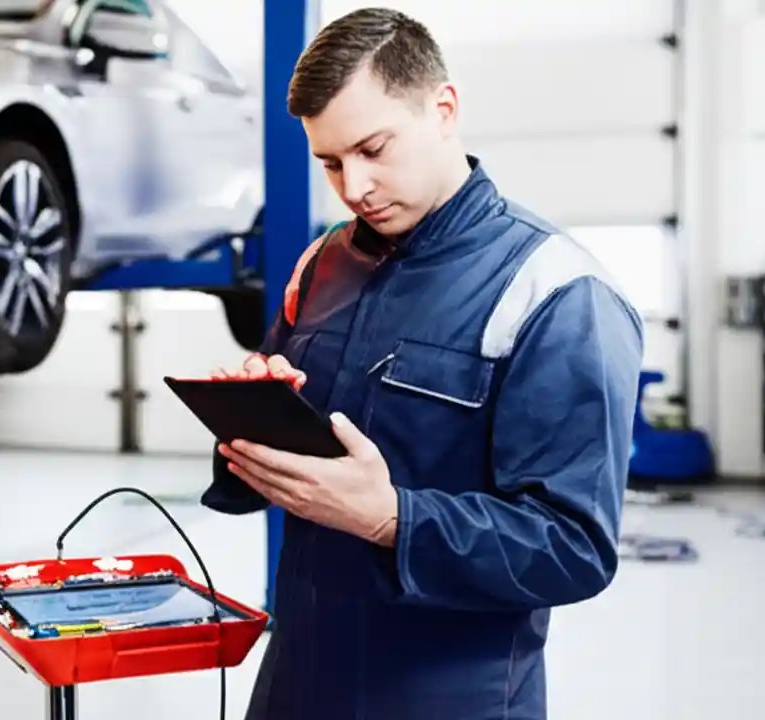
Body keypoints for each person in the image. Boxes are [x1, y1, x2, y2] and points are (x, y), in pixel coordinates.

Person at [203, 8, 644, 719]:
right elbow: (293, 454)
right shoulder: (324, 263)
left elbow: (573, 548)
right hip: (298, 682)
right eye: (331, 162)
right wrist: (248, 425)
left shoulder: (555, 291)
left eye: (374, 149)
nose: (353, 187)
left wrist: (391, 519)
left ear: (443, 110)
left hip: (447, 698)